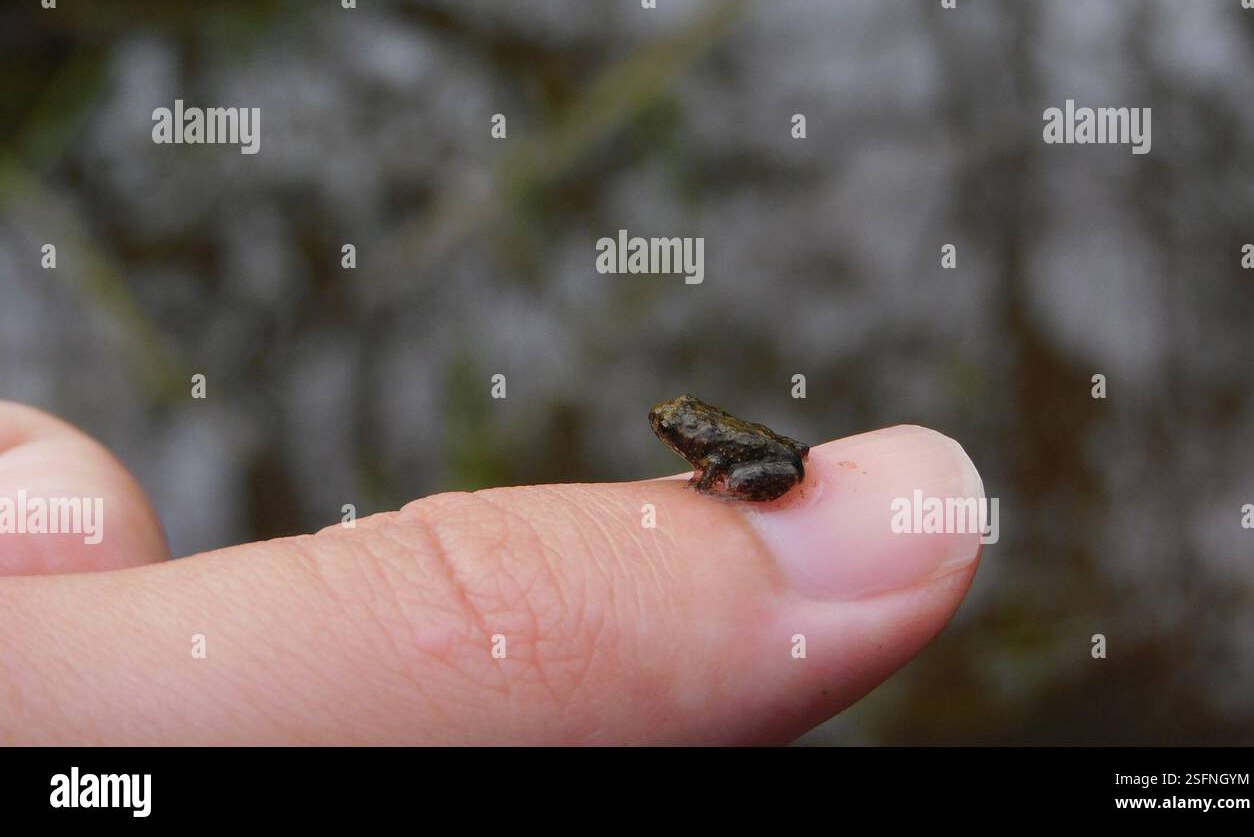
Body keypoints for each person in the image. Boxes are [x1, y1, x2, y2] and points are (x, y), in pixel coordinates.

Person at [0, 400, 983, 744]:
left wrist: (722, 489)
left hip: (774, 461)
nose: (666, 437)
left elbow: (751, 459)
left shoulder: (711, 448)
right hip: (769, 448)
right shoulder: (698, 436)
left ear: (683, 437)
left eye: (669, 434)